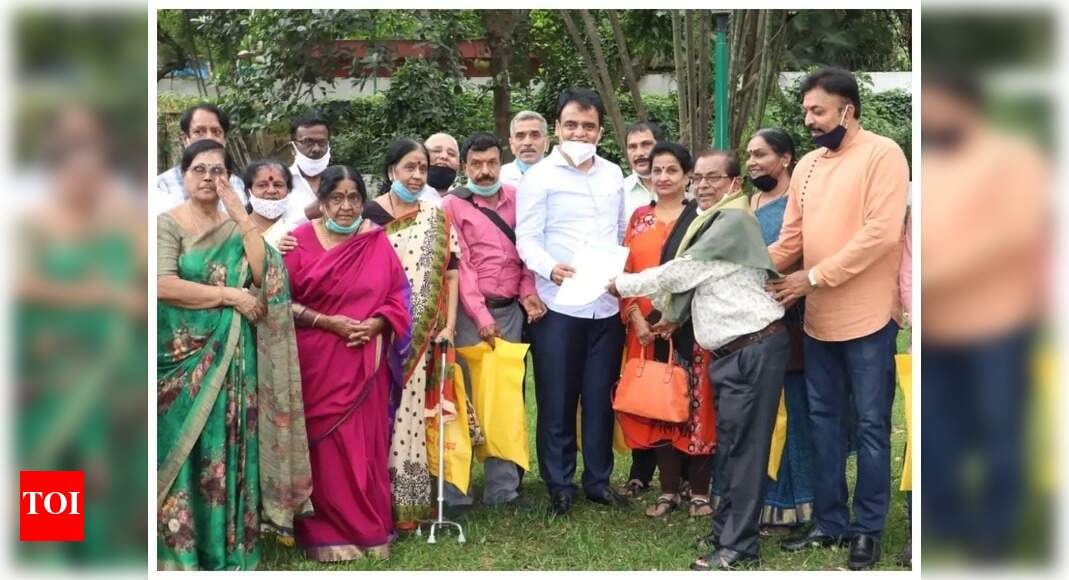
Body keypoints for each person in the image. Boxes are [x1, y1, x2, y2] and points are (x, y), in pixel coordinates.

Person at [609, 168, 788, 570]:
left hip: (751, 348)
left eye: (714, 178)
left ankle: (739, 549)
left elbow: (681, 273)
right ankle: (728, 532)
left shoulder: (733, 222)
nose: (702, 185)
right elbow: (688, 283)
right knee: (733, 449)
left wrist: (619, 284)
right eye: (700, 179)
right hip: (734, 352)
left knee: (745, 452)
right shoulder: (714, 222)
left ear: (734, 183)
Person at [767, 67, 909, 570]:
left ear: (848, 110)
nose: (807, 120)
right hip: (818, 319)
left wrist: (814, 277)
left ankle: (867, 530)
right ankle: (831, 522)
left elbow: (881, 233)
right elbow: (790, 240)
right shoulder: (805, 165)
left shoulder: (883, 153)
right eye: (805, 110)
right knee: (824, 423)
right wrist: (746, 264)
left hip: (869, 318)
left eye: (817, 110)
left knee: (871, 426)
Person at [157, 139, 312, 570]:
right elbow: (161, 283)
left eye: (218, 171)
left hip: (232, 363)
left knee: (225, 447)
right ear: (183, 177)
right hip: (179, 363)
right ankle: (176, 551)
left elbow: (266, 275)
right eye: (199, 170)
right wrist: (231, 296)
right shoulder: (166, 224)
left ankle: (225, 546)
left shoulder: (234, 227)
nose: (208, 178)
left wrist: (241, 214)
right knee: (182, 450)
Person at [921, 69, 1047, 561]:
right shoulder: (931, 164)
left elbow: (1014, 233)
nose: (929, 116)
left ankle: (994, 532)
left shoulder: (1012, 158)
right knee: (939, 429)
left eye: (935, 105)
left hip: (998, 322)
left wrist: (941, 274)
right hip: (937, 326)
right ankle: (949, 520)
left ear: (964, 103)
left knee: (999, 428)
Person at [284, 165, 412, 562]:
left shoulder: (375, 241)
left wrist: (376, 324)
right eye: (336, 198)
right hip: (315, 362)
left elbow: (398, 296)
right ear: (321, 202)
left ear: (363, 200)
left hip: (364, 362)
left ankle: (368, 529)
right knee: (323, 451)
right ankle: (322, 530)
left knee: (363, 446)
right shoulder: (297, 242)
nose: (345, 206)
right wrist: (327, 322)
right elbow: (278, 302)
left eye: (353, 197)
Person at [515, 88, 628, 516]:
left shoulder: (613, 173)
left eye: (589, 126)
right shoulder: (539, 176)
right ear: (558, 128)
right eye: (572, 125)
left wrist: (617, 274)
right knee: (557, 397)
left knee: (600, 396)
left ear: (600, 130)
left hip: (604, 303)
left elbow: (619, 231)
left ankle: (597, 480)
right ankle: (559, 483)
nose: (580, 132)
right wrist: (549, 268)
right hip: (558, 304)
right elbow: (526, 237)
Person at [439, 132, 547, 510]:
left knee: (505, 400)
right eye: (476, 165)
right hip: (469, 315)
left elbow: (527, 253)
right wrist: (482, 316)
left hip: (511, 313)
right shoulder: (451, 204)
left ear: (499, 162)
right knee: (462, 399)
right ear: (464, 166)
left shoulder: (519, 200)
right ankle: (456, 491)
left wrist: (527, 293)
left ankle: (504, 490)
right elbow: (461, 265)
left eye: (490, 164)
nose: (484, 172)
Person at [614, 142, 716, 519]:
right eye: (657, 170)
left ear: (688, 176)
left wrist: (677, 317)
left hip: (692, 329)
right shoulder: (639, 218)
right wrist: (635, 318)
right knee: (657, 403)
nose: (663, 177)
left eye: (672, 170)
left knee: (697, 405)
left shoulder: (702, 219)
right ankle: (668, 489)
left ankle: (700, 490)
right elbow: (625, 274)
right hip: (644, 332)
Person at [364, 138, 461, 528]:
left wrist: (450, 325)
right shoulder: (367, 215)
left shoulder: (436, 218)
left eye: (422, 168)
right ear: (392, 172)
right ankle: (371, 501)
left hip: (420, 334)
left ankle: (407, 504)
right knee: (374, 415)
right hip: (375, 331)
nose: (418, 175)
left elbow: (451, 275)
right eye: (410, 167)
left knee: (410, 416)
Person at [745, 128, 817, 533]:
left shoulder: (799, 204)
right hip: (749, 323)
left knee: (793, 413)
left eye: (761, 154)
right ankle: (756, 499)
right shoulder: (747, 203)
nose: (752, 161)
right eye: (749, 155)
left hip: (789, 316)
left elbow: (805, 252)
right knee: (761, 412)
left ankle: (794, 503)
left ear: (786, 158)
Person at [156, 103, 247, 212]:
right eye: (198, 132)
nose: (208, 138)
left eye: (216, 132)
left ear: (224, 140)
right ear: (185, 139)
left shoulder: (236, 184)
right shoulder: (162, 185)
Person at [241, 160, 300, 251]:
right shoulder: (237, 232)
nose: (271, 191)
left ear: (288, 190)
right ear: (249, 192)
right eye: (262, 185)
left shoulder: (295, 230)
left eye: (278, 185)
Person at [285, 112, 330, 224]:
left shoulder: (342, 180)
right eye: (307, 142)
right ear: (292, 147)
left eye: (322, 142)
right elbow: (269, 232)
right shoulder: (280, 183)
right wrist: (306, 215)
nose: (316, 149)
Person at [622, 121, 664, 219]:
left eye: (646, 145)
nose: (639, 153)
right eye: (632, 147)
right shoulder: (619, 191)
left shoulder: (679, 188)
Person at [500, 110, 550, 188]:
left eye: (535, 135)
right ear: (511, 144)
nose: (527, 143)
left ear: (546, 143)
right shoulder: (499, 178)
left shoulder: (563, 176)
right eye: (520, 136)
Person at [421, 132, 461, 208]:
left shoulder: (465, 202)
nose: (444, 156)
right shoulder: (408, 199)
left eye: (451, 154)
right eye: (436, 151)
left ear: (459, 166)